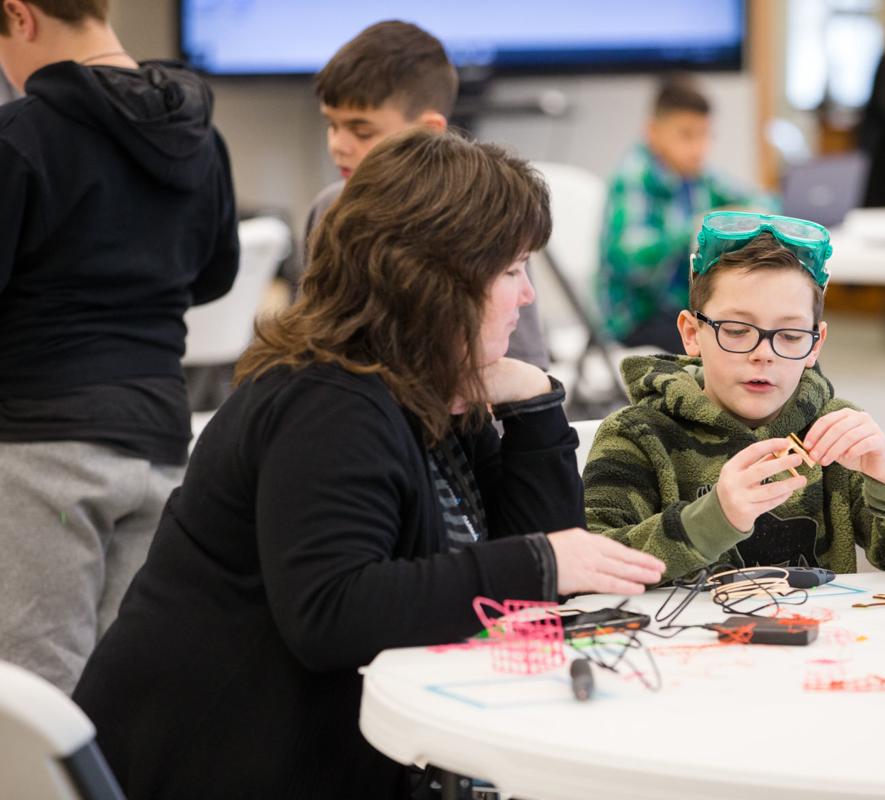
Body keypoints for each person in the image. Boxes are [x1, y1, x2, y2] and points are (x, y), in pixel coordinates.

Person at [73, 129, 665, 799]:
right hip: (206, 769)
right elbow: (333, 612)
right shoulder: (327, 400)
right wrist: (542, 564)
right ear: (436, 280)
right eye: (509, 270)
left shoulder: (426, 386)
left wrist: (530, 406)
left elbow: (536, 585)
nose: (527, 295)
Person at [0, 0, 238, 693]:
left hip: (42, 453)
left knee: (32, 701)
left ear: (20, 16)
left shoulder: (20, 136)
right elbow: (215, 274)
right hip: (161, 446)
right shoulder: (200, 136)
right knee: (124, 699)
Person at [584, 212, 885, 580]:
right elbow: (592, 567)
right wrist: (714, 518)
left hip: (822, 644)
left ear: (815, 345)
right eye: (736, 330)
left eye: (789, 335)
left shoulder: (833, 434)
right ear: (690, 334)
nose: (764, 353)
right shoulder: (637, 435)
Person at [300, 19, 550, 370]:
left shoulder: (486, 217)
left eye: (362, 130)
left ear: (428, 131)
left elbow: (523, 364)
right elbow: (314, 342)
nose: (339, 145)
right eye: (332, 124)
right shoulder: (329, 208)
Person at [599, 75, 777, 354]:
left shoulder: (698, 174)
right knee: (727, 343)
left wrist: (748, 213)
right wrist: (695, 228)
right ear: (653, 132)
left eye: (706, 134)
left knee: (751, 325)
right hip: (638, 316)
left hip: (681, 306)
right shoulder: (634, 177)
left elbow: (759, 201)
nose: (699, 147)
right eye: (686, 134)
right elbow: (630, 261)